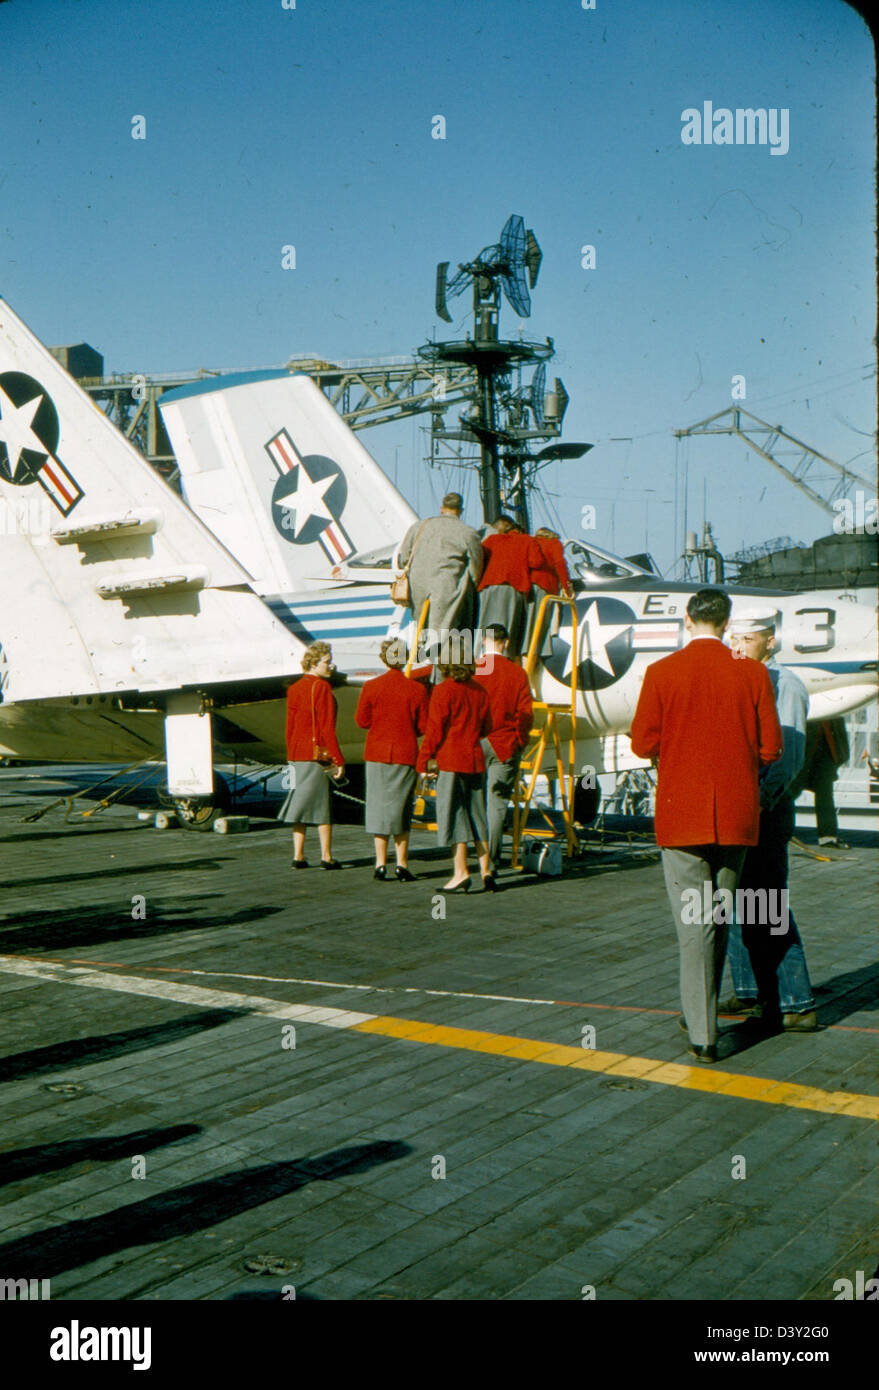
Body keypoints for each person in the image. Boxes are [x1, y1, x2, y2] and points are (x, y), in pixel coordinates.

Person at [630, 589, 783, 1063]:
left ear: (688, 618)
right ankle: (702, 1010)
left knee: (694, 925)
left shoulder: (661, 673)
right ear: (726, 622)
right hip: (737, 815)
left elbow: (641, 743)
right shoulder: (754, 674)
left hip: (682, 815)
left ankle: (703, 1030)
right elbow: (771, 748)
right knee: (717, 918)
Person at [722, 609, 817, 1031]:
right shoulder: (737, 680)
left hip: (766, 809)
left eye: (747, 639)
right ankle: (751, 992)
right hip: (740, 807)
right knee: (738, 903)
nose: (737, 647)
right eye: (733, 639)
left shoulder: (785, 684)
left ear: (770, 642)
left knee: (769, 903)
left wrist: (760, 801)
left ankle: (797, 1001)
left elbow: (789, 755)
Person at [416, 656, 496, 893]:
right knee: (478, 816)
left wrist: (423, 761)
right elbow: (487, 728)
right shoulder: (480, 691)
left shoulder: (443, 691)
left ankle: (460, 872)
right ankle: (486, 869)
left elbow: (434, 730)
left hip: (451, 760)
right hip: (474, 759)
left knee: (453, 816)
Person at [355, 637, 429, 882]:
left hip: (377, 753)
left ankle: (379, 863)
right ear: (405, 658)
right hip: (404, 753)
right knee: (401, 810)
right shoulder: (417, 689)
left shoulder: (370, 687)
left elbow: (362, 721)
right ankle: (402, 863)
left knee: (377, 808)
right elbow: (422, 727)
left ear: (383, 658)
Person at [278, 641, 345, 869]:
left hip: (297, 754)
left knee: (300, 805)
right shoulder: (322, 687)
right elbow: (327, 728)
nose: (331, 666)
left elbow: (289, 727)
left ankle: (298, 855)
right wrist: (338, 759)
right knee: (321, 807)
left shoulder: (294, 688)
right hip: (316, 756)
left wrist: (291, 754)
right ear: (315, 663)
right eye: (327, 662)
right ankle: (326, 856)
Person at [474, 623, 533, 865]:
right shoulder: (517, 673)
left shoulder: (473, 669)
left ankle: (475, 854)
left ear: (482, 641)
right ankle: (491, 858)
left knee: (474, 802)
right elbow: (525, 714)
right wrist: (520, 741)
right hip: (504, 744)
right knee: (496, 805)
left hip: (474, 743)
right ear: (506, 643)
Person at [396, 492, 483, 657]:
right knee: (443, 632)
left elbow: (404, 558)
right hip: (446, 585)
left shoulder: (419, 527)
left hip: (418, 585)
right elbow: (475, 567)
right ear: (460, 510)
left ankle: (423, 652)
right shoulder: (468, 532)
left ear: (442, 508)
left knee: (423, 628)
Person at [477, 516, 543, 656]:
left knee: (483, 629)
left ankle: (479, 662)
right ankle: (503, 662)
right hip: (513, 588)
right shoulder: (528, 540)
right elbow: (536, 562)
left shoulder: (492, 540)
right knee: (506, 630)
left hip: (487, 589)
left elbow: (479, 558)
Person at [788, 719, 850, 848]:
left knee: (825, 796)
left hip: (825, 753)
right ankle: (781, 831)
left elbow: (839, 729)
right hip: (804, 752)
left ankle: (828, 837)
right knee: (790, 793)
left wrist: (841, 755)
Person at [527, 527, 574, 658]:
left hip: (529, 586)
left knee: (529, 626)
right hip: (545, 585)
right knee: (541, 624)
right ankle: (539, 652)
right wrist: (567, 586)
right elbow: (560, 564)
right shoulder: (554, 543)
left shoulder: (532, 542)